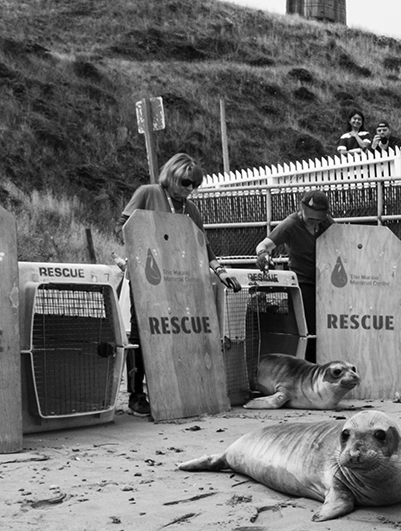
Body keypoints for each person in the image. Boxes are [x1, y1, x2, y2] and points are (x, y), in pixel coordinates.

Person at [118, 152, 240, 417]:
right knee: (141, 333)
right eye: (186, 182)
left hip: (178, 280)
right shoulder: (148, 193)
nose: (190, 189)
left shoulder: (190, 209)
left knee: (177, 332)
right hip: (147, 279)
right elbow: (124, 226)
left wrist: (219, 270)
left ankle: (174, 389)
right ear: (172, 175)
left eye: (194, 185)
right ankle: (136, 395)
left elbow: (202, 243)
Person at [255, 191, 332, 361]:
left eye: (318, 220)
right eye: (311, 219)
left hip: (326, 282)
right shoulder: (291, 224)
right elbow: (264, 244)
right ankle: (309, 365)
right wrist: (262, 255)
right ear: (301, 209)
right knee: (310, 326)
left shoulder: (327, 223)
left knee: (328, 326)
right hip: (303, 281)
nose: (315, 224)